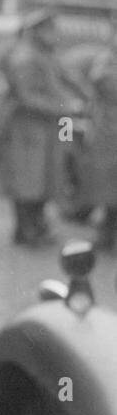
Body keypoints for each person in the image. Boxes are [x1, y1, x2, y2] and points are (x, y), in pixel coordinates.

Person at [3, 13, 78, 247]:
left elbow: (68, 79)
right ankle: (25, 230)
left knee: (45, 179)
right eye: (50, 30)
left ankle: (36, 226)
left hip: (47, 129)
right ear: (37, 32)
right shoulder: (24, 57)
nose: (55, 36)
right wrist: (65, 107)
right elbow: (27, 97)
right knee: (27, 181)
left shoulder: (47, 56)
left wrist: (82, 98)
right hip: (27, 129)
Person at [87, 29, 117, 251]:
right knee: (107, 188)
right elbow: (104, 83)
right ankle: (105, 235)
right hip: (107, 133)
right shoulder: (105, 62)